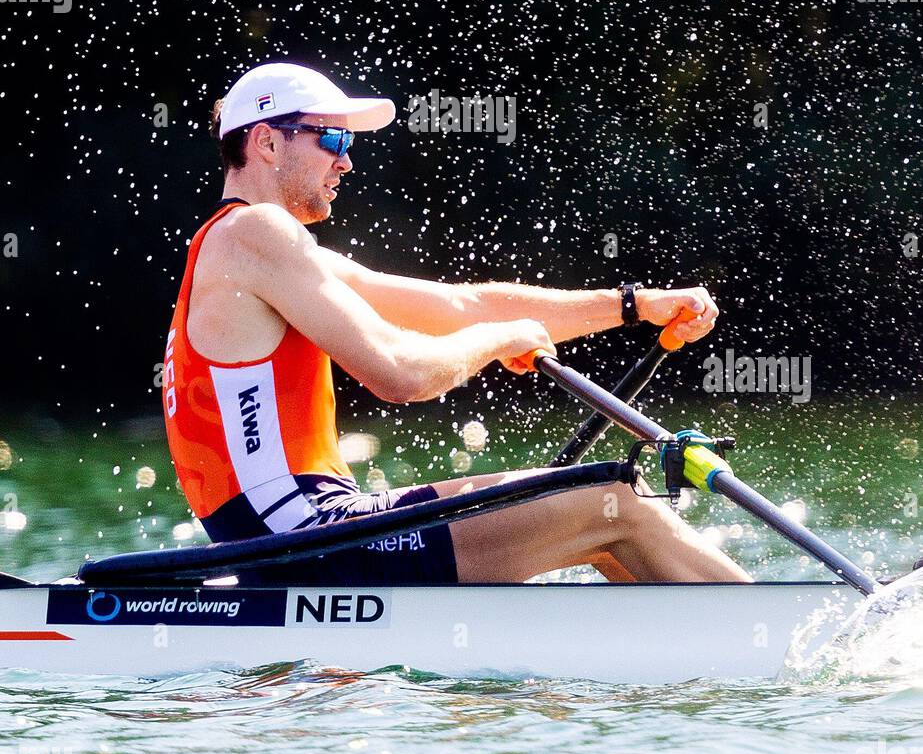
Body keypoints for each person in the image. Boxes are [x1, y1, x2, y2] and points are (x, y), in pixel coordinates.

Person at [162, 61, 751, 587]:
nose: (346, 160)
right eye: (332, 138)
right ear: (266, 141)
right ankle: (769, 658)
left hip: (305, 538)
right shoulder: (255, 233)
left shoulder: (253, 251)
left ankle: (680, 670)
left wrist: (634, 305)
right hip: (309, 540)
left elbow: (462, 306)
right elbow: (400, 374)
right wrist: (498, 343)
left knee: (607, 520)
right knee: (614, 504)